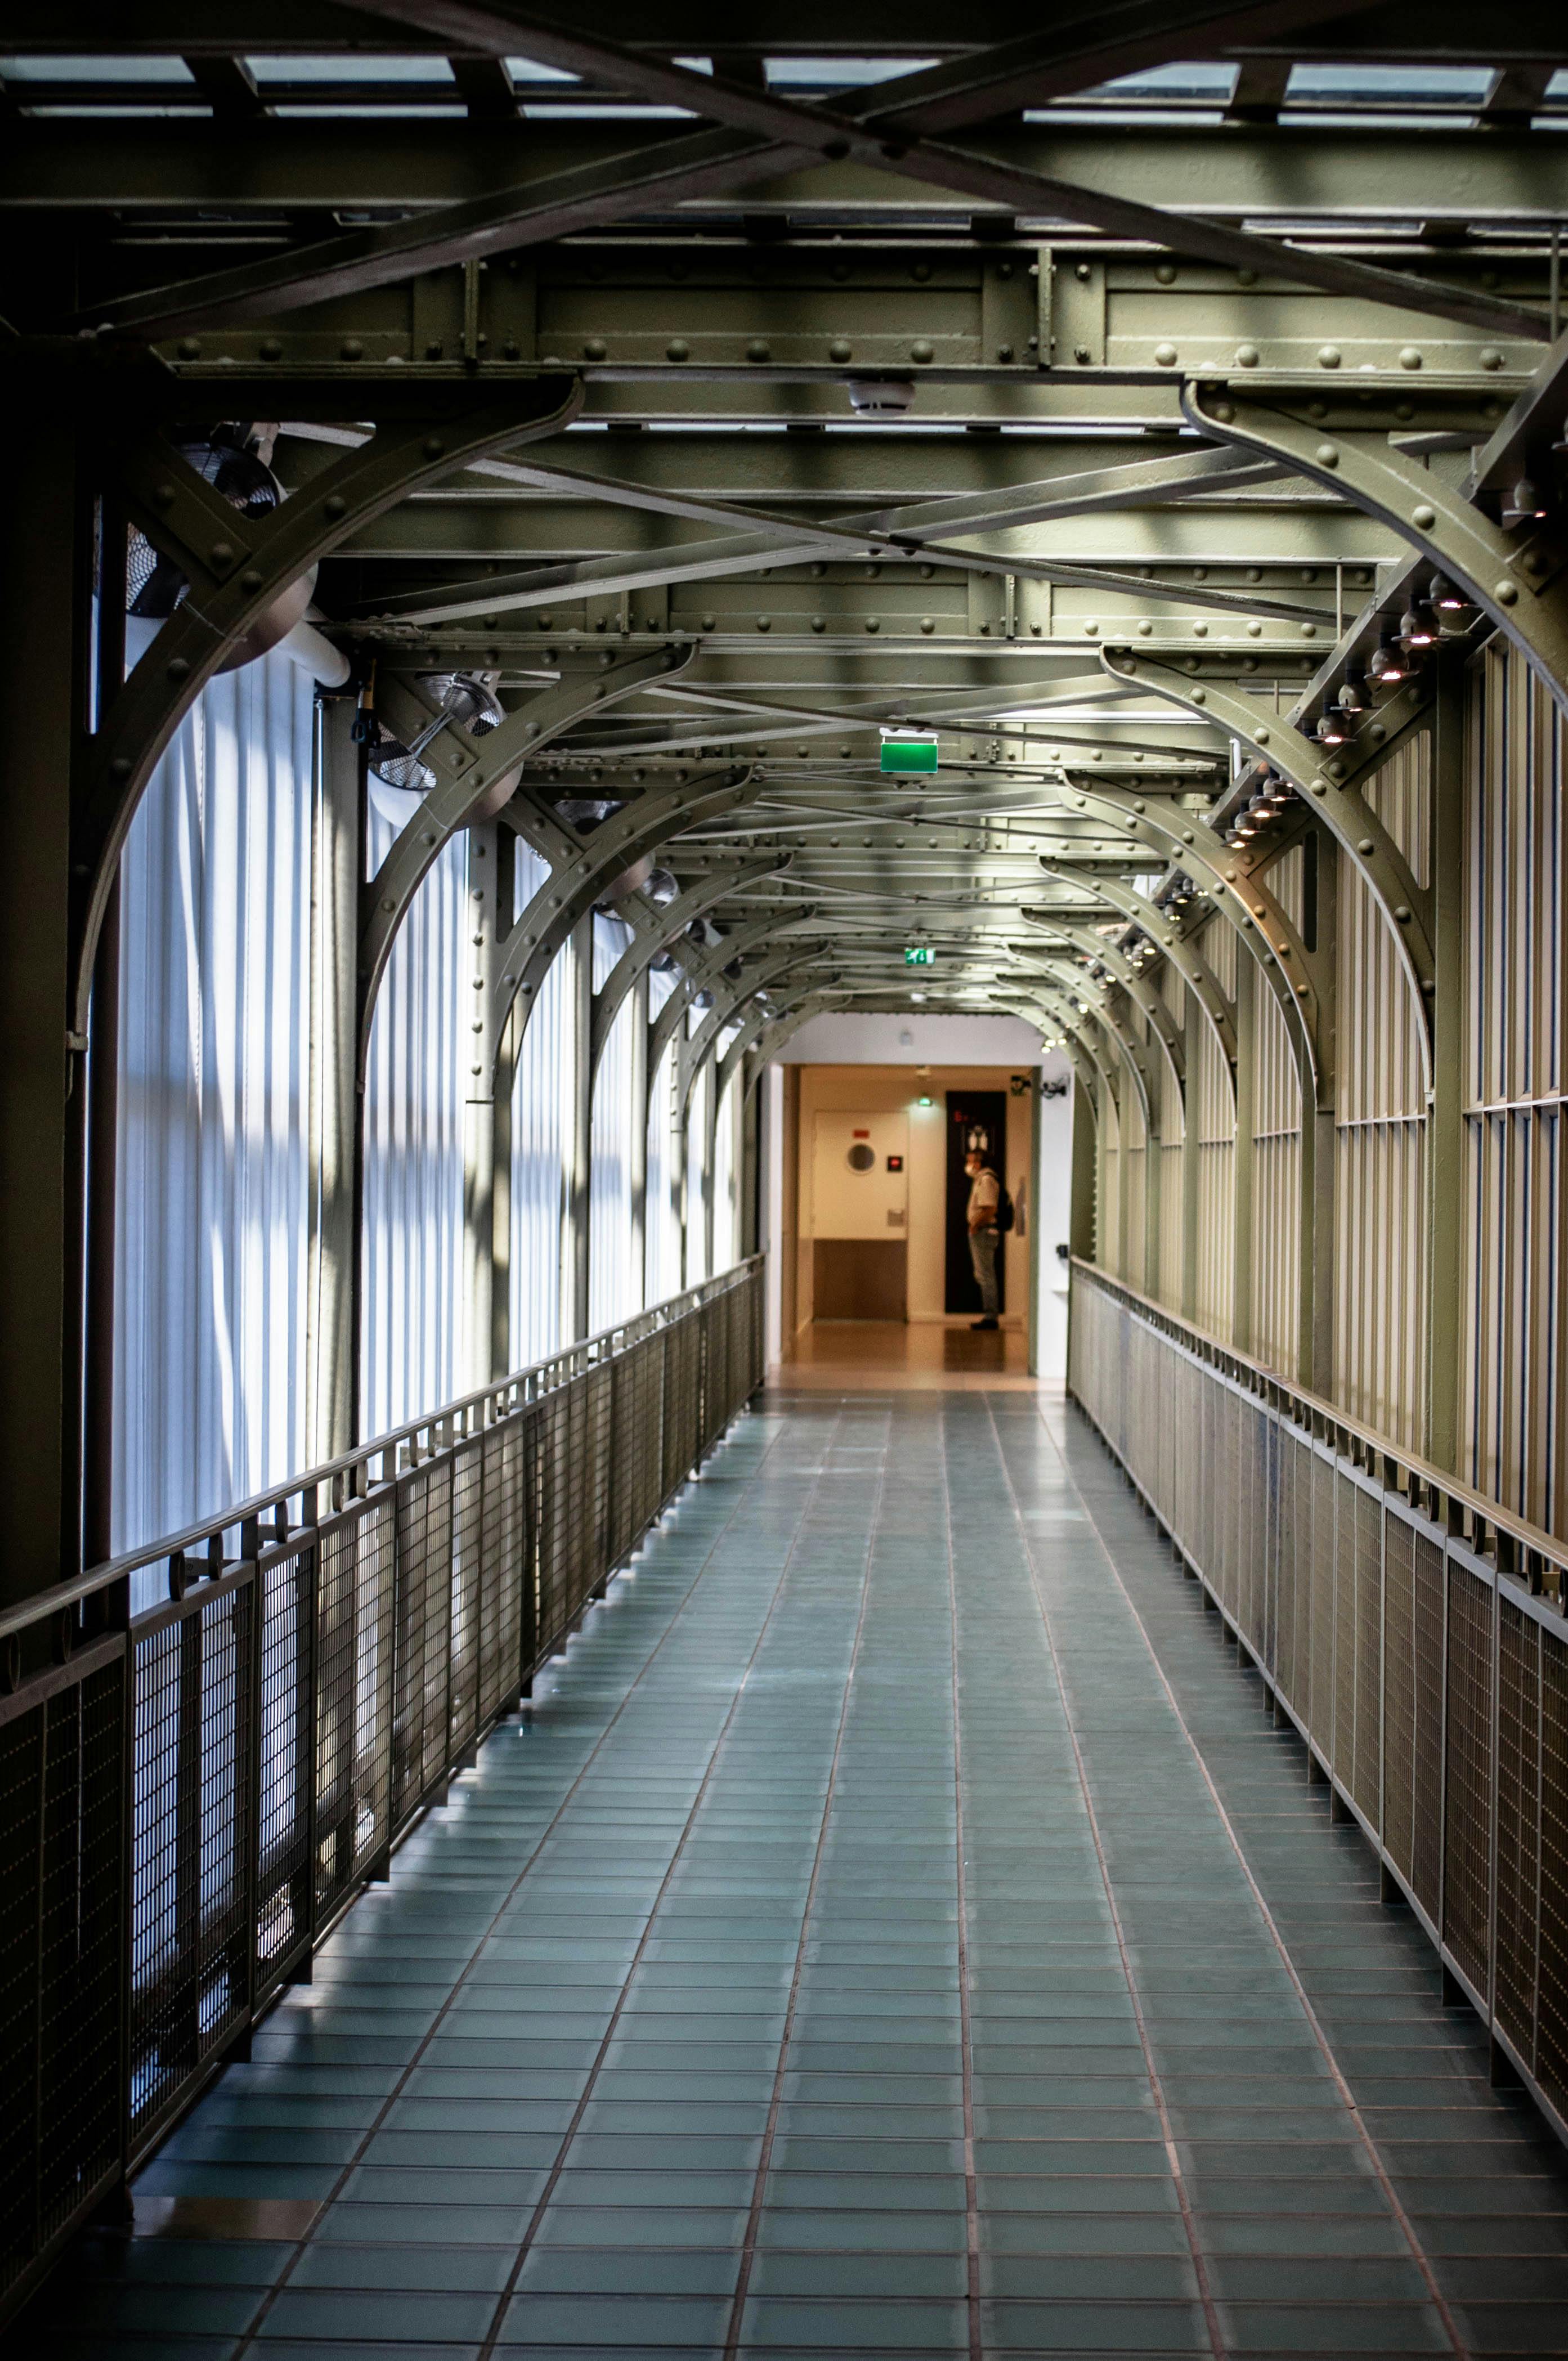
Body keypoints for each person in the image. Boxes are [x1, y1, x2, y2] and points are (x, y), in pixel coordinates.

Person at [964, 1147, 1001, 1330]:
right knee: (983, 1274)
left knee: (986, 1275)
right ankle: (989, 1314)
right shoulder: (981, 1180)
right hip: (982, 1231)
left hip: (984, 1232)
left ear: (978, 1163)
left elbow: (990, 1208)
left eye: (971, 1161)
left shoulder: (986, 1180)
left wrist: (975, 1225)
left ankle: (991, 1317)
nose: (969, 1166)